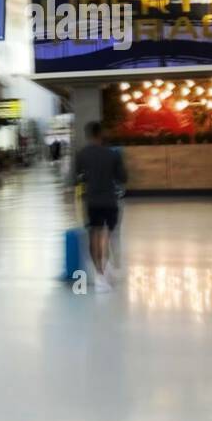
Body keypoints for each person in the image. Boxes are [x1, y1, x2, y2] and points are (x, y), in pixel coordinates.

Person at [73, 121, 127, 293]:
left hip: (92, 201)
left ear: (88, 135)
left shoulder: (81, 154)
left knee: (94, 235)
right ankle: (106, 267)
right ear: (101, 134)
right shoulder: (112, 155)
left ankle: (99, 275)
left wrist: (86, 179)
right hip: (110, 201)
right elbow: (123, 177)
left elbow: (74, 179)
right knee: (107, 235)